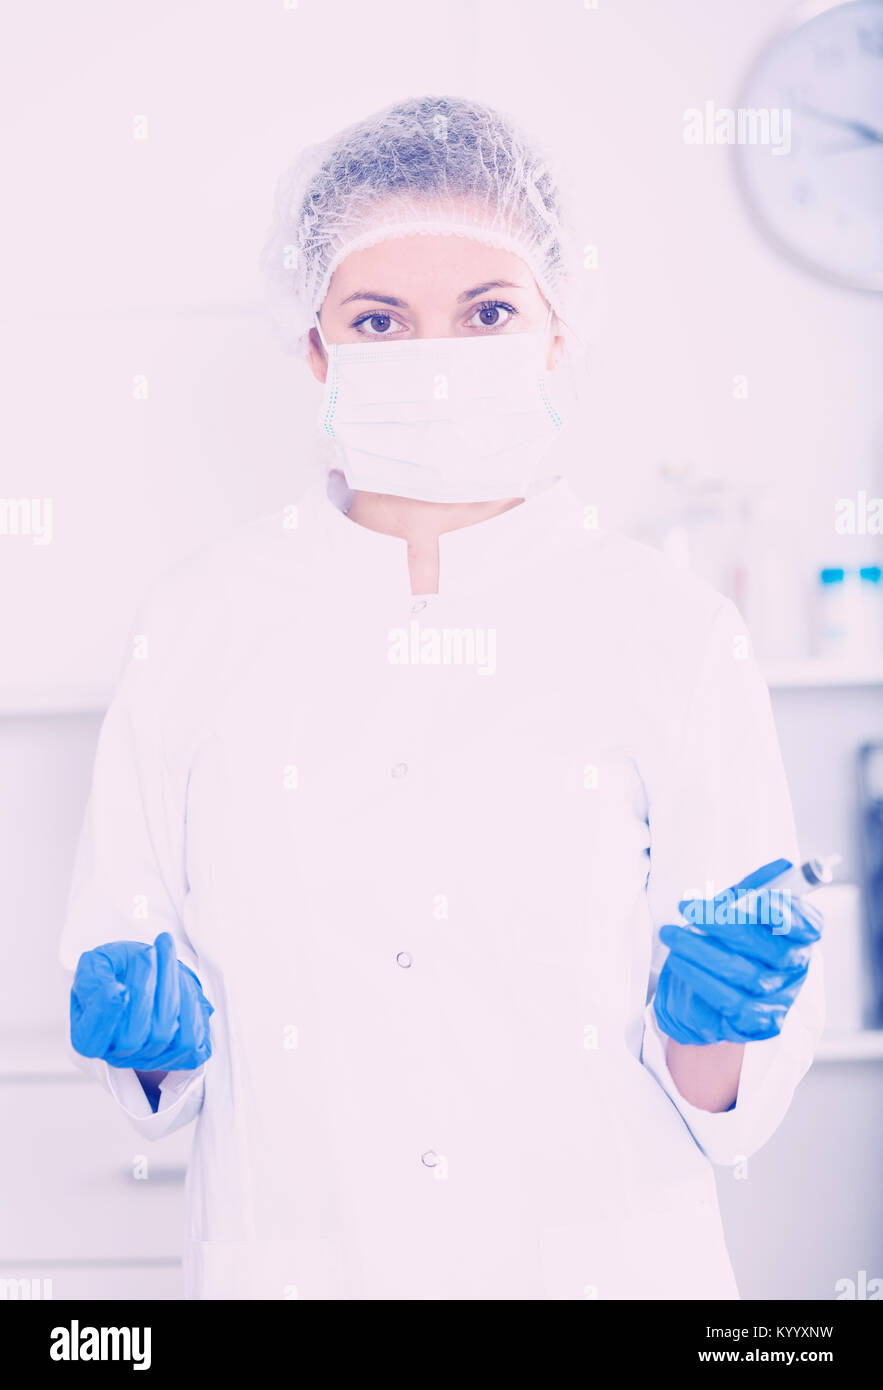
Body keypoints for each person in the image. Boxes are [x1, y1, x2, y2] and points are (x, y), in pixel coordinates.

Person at [60, 94, 824, 1301]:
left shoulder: (669, 630)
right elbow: (141, 1040)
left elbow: (730, 1094)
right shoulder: (198, 624)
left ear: (556, 328)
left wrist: (718, 1020)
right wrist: (148, 1047)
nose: (437, 358)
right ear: (313, 347)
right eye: (379, 319)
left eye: (487, 312)